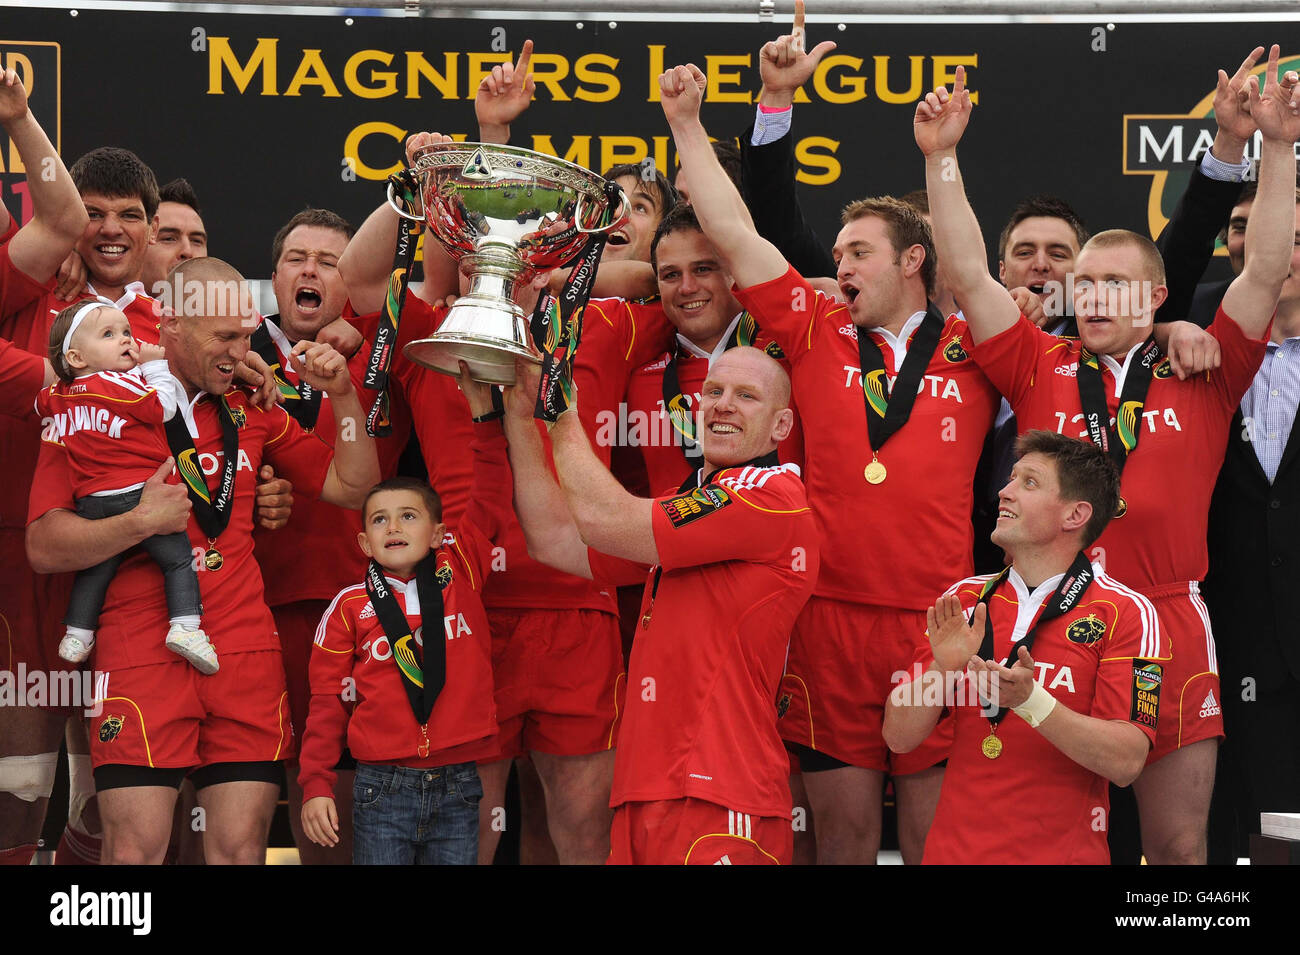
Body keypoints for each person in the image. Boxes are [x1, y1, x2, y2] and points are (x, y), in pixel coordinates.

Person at [916, 51, 1299, 863]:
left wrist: (1279, 150)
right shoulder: (1037, 363)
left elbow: (1264, 267)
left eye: (1113, 284)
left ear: (1157, 295)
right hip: (1058, 622)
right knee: (1053, 834)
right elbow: (968, 276)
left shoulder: (1206, 365)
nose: (1090, 296)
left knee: (1179, 845)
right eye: (1083, 283)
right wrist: (941, 160)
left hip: (1168, 619)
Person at [661, 61, 1000, 864]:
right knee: (841, 839)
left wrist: (939, 157)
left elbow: (976, 266)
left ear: (913, 261)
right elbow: (739, 234)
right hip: (827, 618)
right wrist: (684, 124)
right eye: (838, 252)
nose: (839, 266)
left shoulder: (976, 348)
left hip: (937, 624)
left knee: (931, 839)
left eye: (859, 253)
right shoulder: (814, 325)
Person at [25, 257, 381, 865]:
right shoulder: (94, 407)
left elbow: (354, 486)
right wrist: (137, 522)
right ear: (170, 329)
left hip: (243, 645)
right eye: (224, 338)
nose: (243, 351)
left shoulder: (251, 404)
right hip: (141, 647)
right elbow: (43, 546)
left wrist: (344, 397)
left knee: (241, 852)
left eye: (246, 335)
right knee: (134, 852)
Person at [505, 347, 818, 863]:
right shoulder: (688, 499)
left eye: (746, 396)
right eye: (714, 392)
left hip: (722, 792)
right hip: (644, 788)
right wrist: (521, 416)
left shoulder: (771, 495)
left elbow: (609, 522)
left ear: (781, 424)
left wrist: (562, 416)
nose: (723, 405)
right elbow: (555, 539)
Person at [884, 431, 1163, 864]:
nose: (1004, 492)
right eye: (1011, 479)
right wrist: (943, 669)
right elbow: (898, 737)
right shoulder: (964, 598)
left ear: (1075, 514)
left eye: (1028, 483)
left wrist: (1031, 701)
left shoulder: (1125, 611)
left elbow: (1126, 761)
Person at [300, 365, 509, 864]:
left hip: (459, 780)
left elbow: (491, 492)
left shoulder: (461, 567)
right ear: (363, 541)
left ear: (438, 534)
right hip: (379, 784)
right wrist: (315, 783)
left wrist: (485, 418)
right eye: (379, 519)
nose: (393, 527)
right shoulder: (349, 606)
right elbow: (327, 702)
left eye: (408, 516)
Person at [0, 68, 92, 867]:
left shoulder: (16, 277)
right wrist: (58, 376)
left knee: (29, 772)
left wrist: (22, 121)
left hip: (39, 540)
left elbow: (60, 216)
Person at [38, 301, 214, 671]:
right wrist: (154, 366)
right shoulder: (115, 383)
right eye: (109, 334)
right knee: (179, 560)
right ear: (77, 356)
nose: (126, 340)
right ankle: (186, 627)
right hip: (137, 493)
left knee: (97, 568)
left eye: (126, 332)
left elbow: (41, 404)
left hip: (90, 501)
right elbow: (163, 408)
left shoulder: (58, 394)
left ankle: (77, 633)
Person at [141, 178, 208, 294]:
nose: (187, 252)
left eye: (196, 241)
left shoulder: (241, 308)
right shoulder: (102, 310)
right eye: (169, 239)